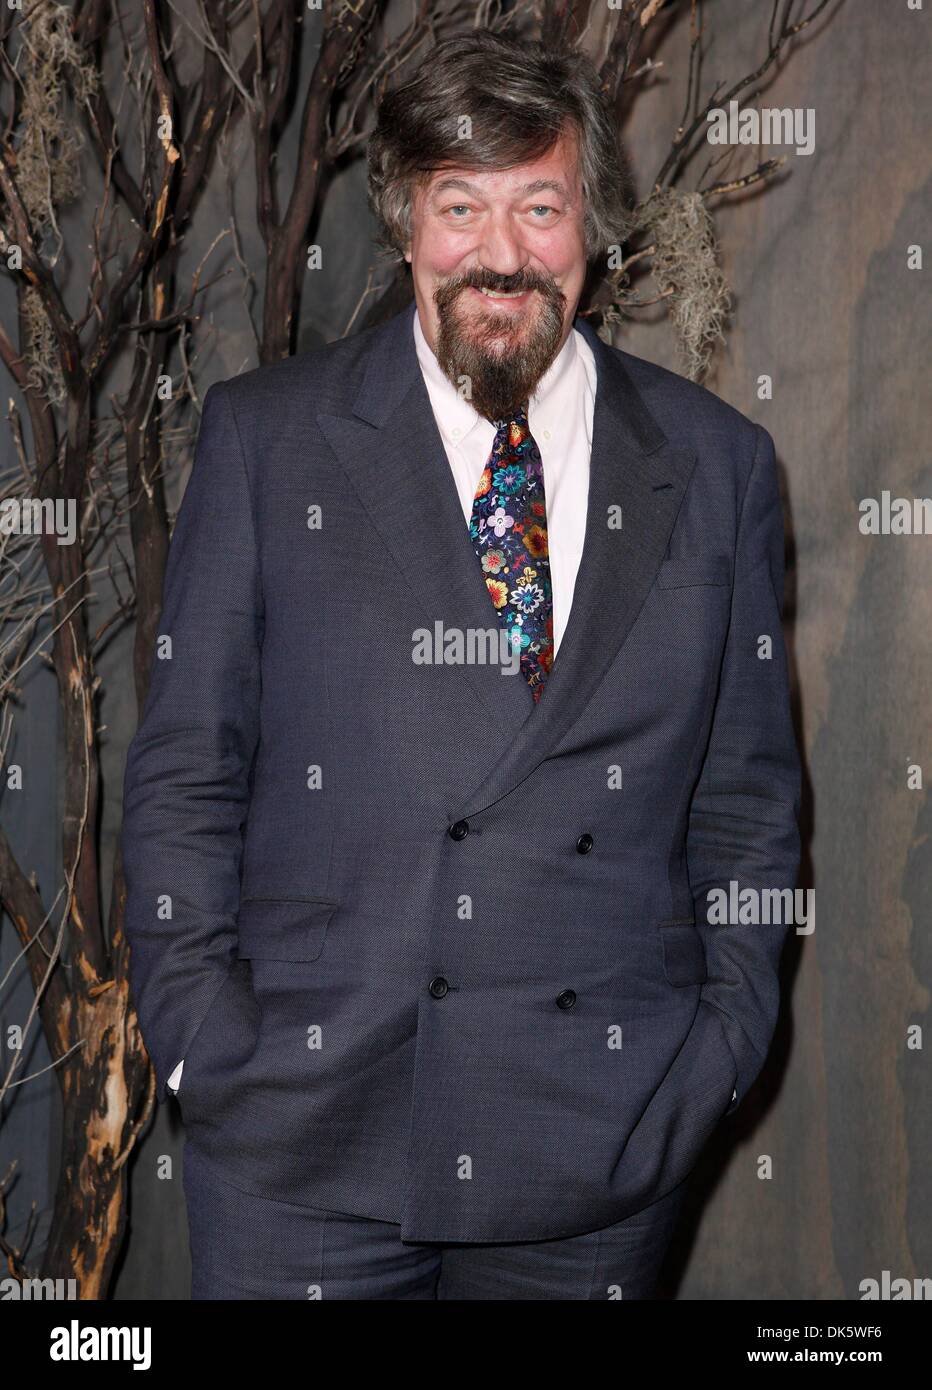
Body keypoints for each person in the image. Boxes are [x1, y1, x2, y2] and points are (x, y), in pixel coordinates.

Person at [122, 29, 801, 1300]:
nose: (501, 253)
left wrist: (713, 1051)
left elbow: (748, 806)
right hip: (303, 1144)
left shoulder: (715, 468)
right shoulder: (269, 444)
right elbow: (183, 777)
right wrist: (198, 1047)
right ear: (403, 224)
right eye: (459, 206)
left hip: (592, 1156)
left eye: (537, 205)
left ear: (587, 223)